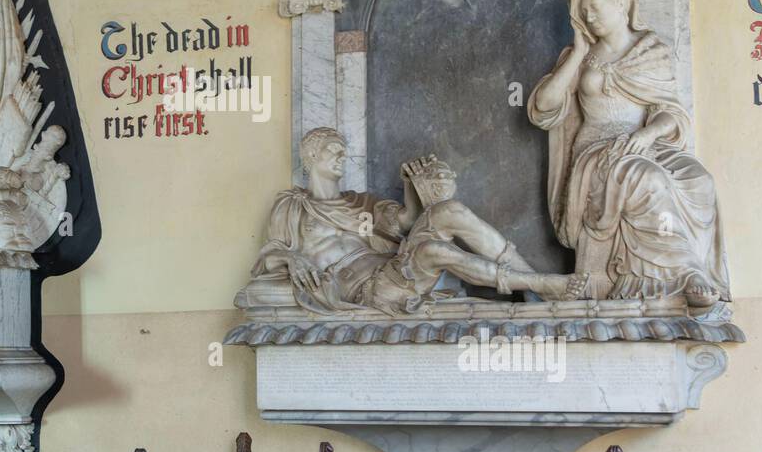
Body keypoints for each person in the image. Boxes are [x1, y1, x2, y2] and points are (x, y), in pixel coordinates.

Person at [528, 0, 729, 308]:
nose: (588, 17)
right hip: (597, 150)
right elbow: (543, 109)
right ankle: (684, 273)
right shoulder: (581, 58)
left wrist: (649, 134)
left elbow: (670, 111)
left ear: (621, 1)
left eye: (594, 8)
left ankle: (683, 271)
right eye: (583, 11)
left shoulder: (652, 50)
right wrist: (576, 55)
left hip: (645, 142)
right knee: (642, 176)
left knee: (700, 180)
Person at [249, 127, 587, 314]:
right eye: (333, 150)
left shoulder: (358, 202)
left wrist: (410, 183)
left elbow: (406, 222)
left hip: (391, 270)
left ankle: (532, 283)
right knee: (430, 252)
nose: (342, 156)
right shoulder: (292, 206)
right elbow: (270, 255)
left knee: (449, 210)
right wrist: (292, 257)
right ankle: (540, 284)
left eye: (343, 151)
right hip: (366, 290)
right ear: (310, 157)